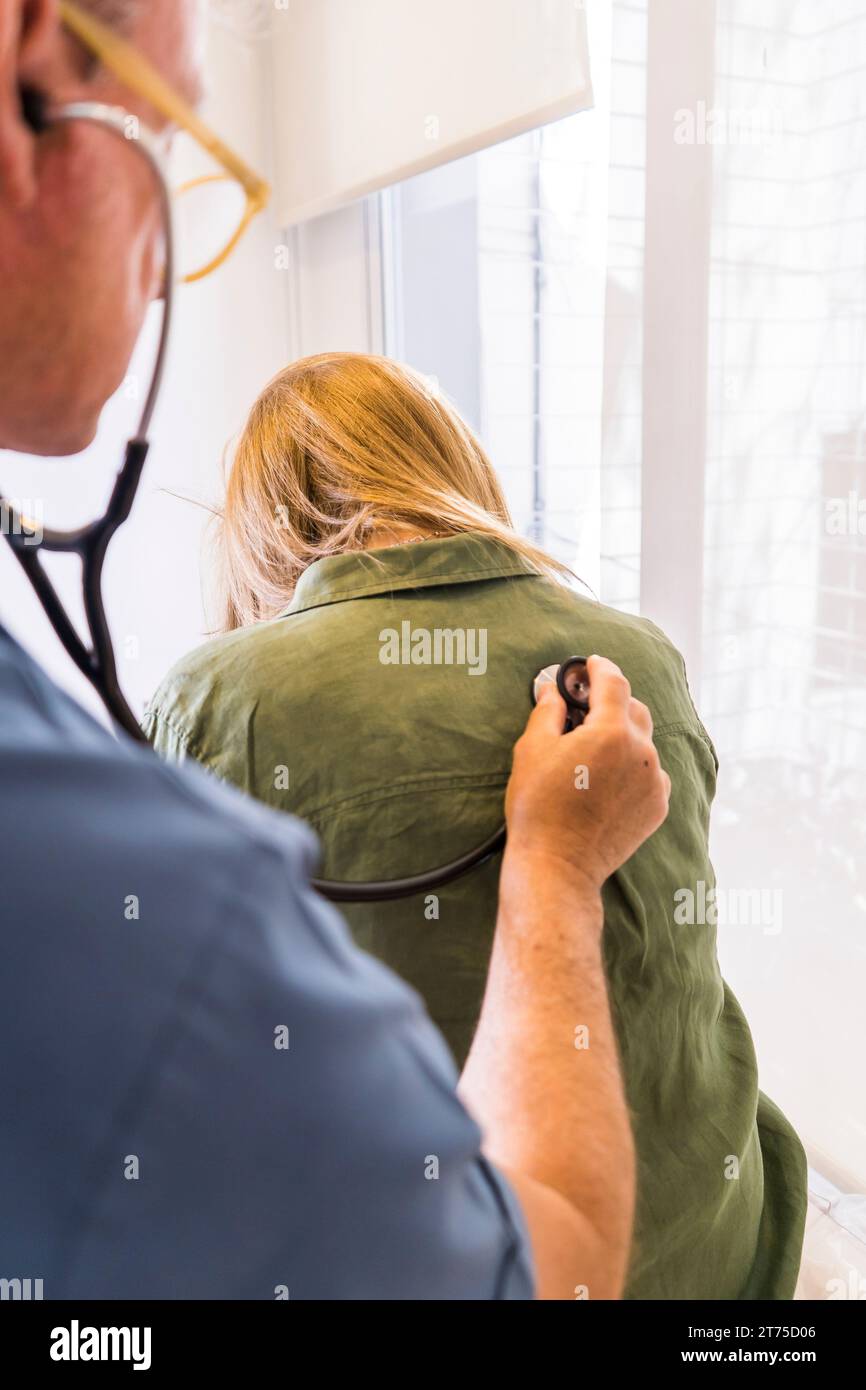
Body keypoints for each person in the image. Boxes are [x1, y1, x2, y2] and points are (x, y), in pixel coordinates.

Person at [0, 0, 670, 1300]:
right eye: (173, 142)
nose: (159, 270)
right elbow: (560, 1262)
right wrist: (553, 859)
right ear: (34, 79)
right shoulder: (633, 661)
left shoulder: (195, 722)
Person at [146, 352, 808, 1300]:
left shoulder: (215, 703)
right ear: (450, 465)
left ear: (266, 524)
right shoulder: (639, 658)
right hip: (717, 1253)